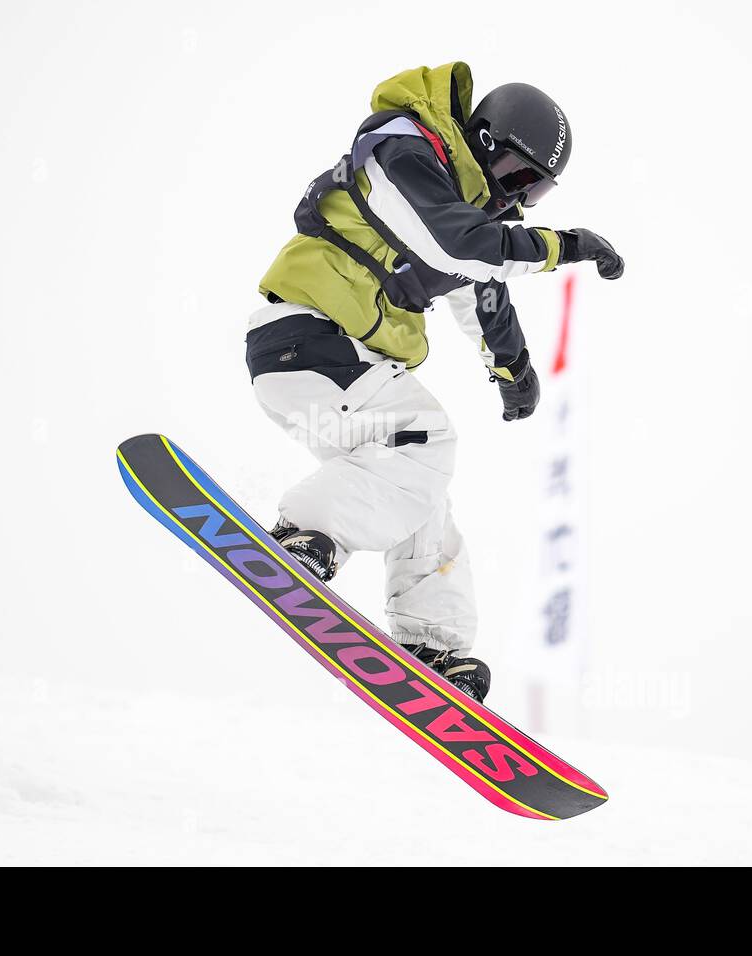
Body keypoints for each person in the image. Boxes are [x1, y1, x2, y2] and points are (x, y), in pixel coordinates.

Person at [247, 62, 623, 701]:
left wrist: (515, 376)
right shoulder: (403, 150)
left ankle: (432, 642)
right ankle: (304, 534)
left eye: (535, 192)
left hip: (343, 367)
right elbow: (463, 248)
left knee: (419, 492)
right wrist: (568, 244)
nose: (516, 197)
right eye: (515, 175)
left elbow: (485, 297)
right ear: (483, 144)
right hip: (305, 339)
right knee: (425, 439)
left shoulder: (464, 213)